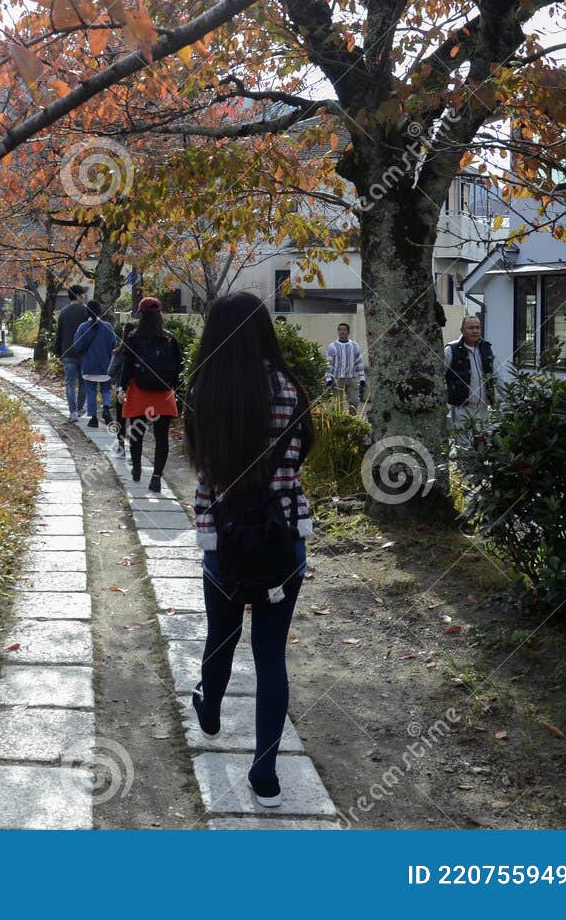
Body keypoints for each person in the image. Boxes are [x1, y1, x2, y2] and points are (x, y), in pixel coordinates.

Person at [183, 291, 314, 809]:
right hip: (284, 541)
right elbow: (299, 462)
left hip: (224, 542)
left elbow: (203, 477)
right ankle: (265, 776)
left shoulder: (206, 392)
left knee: (221, 636)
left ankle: (209, 704)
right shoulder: (290, 389)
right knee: (270, 657)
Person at [118, 296, 182, 492]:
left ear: (141, 314)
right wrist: (176, 390)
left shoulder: (134, 337)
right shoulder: (170, 338)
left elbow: (127, 365)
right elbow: (178, 366)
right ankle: (156, 477)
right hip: (164, 394)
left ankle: (137, 469)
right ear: (159, 314)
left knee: (136, 433)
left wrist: (122, 388)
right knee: (161, 437)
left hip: (140, 392)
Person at [444, 314, 495, 433]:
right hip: (461, 408)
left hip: (483, 409)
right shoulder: (451, 350)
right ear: (462, 330)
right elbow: (439, 375)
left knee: (484, 445)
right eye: (471, 328)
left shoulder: (487, 349)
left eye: (477, 327)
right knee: (464, 446)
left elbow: (498, 376)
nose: (475, 331)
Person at [73, 301, 118, 428]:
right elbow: (114, 344)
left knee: (91, 392)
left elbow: (77, 346)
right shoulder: (108, 326)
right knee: (106, 390)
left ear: (87, 312)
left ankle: (93, 418)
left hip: (88, 365)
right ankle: (106, 409)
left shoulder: (83, 327)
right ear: (100, 312)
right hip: (106, 365)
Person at [54, 284, 91, 421]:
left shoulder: (63, 312)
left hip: (68, 352)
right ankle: (80, 408)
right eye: (83, 294)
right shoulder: (86, 311)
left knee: (70, 384)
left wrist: (57, 351)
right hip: (84, 353)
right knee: (83, 383)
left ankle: (72, 412)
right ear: (80, 295)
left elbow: (60, 334)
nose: (84, 296)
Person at [324, 322, 366, 412]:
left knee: (354, 401)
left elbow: (359, 362)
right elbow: (328, 363)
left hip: (352, 378)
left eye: (344, 329)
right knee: (338, 404)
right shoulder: (332, 346)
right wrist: (328, 378)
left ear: (348, 332)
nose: (341, 332)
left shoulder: (355, 345)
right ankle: (340, 422)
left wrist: (362, 378)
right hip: (337, 379)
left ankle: (351, 420)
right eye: (339, 329)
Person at [109, 320, 135, 455]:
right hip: (138, 390)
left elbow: (110, 371)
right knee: (135, 420)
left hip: (121, 390)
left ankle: (121, 447)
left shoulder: (119, 352)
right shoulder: (141, 351)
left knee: (121, 419)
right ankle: (134, 449)